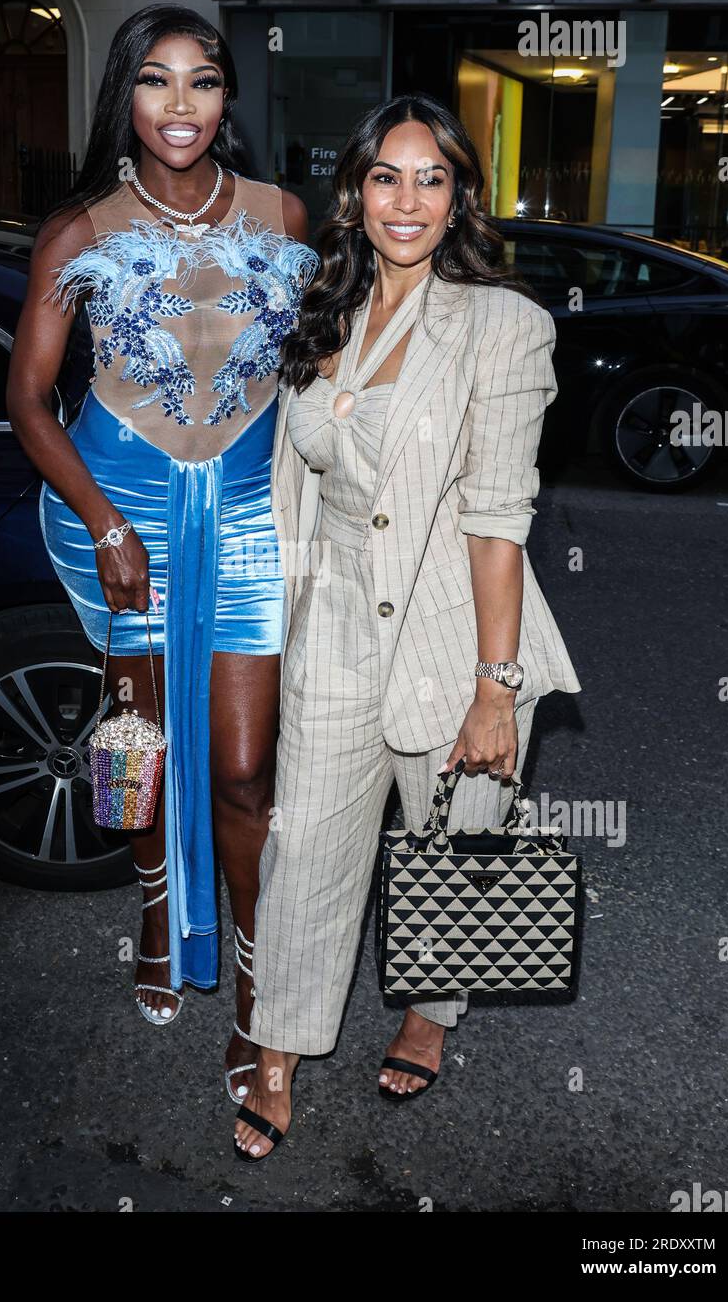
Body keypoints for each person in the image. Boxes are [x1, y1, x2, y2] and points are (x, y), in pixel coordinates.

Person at [233, 93, 581, 1160]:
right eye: (388, 175)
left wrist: (495, 683)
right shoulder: (318, 307)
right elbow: (289, 481)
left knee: (454, 839)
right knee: (307, 852)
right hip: (332, 617)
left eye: (432, 179)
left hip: (449, 621)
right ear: (357, 189)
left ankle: (431, 1014)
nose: (407, 199)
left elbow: (497, 517)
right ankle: (278, 1047)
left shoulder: (501, 325)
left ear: (460, 196)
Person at [6, 4, 316, 1105]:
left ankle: (249, 989)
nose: (179, 104)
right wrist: (102, 520)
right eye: (154, 81)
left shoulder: (285, 215)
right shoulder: (79, 233)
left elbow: (324, 369)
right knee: (132, 745)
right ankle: (150, 906)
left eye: (202, 80)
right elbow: (28, 400)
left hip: (241, 517)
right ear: (124, 99)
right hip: (117, 512)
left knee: (242, 769)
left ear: (229, 97)